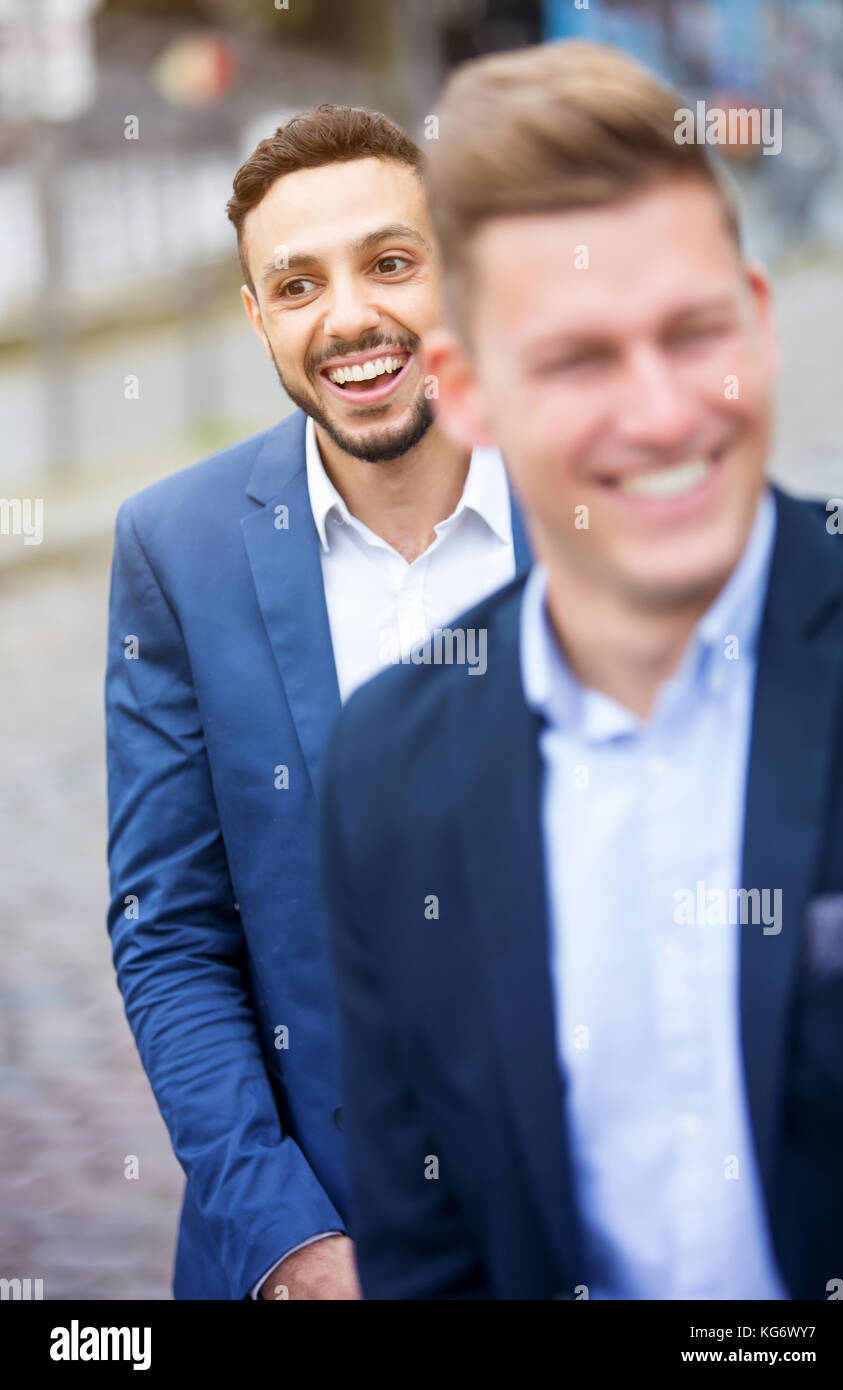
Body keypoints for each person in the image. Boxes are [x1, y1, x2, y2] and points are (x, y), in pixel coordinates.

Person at [320, 43, 843, 1300]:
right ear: (465, 394)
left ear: (758, 319)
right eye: (579, 360)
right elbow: (429, 1253)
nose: (666, 412)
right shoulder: (387, 777)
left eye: (692, 334)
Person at [104, 103, 530, 1301]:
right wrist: (288, 1241)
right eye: (296, 285)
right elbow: (170, 933)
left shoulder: (587, 500)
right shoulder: (174, 548)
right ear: (256, 318)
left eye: (390, 262)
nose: (349, 318)